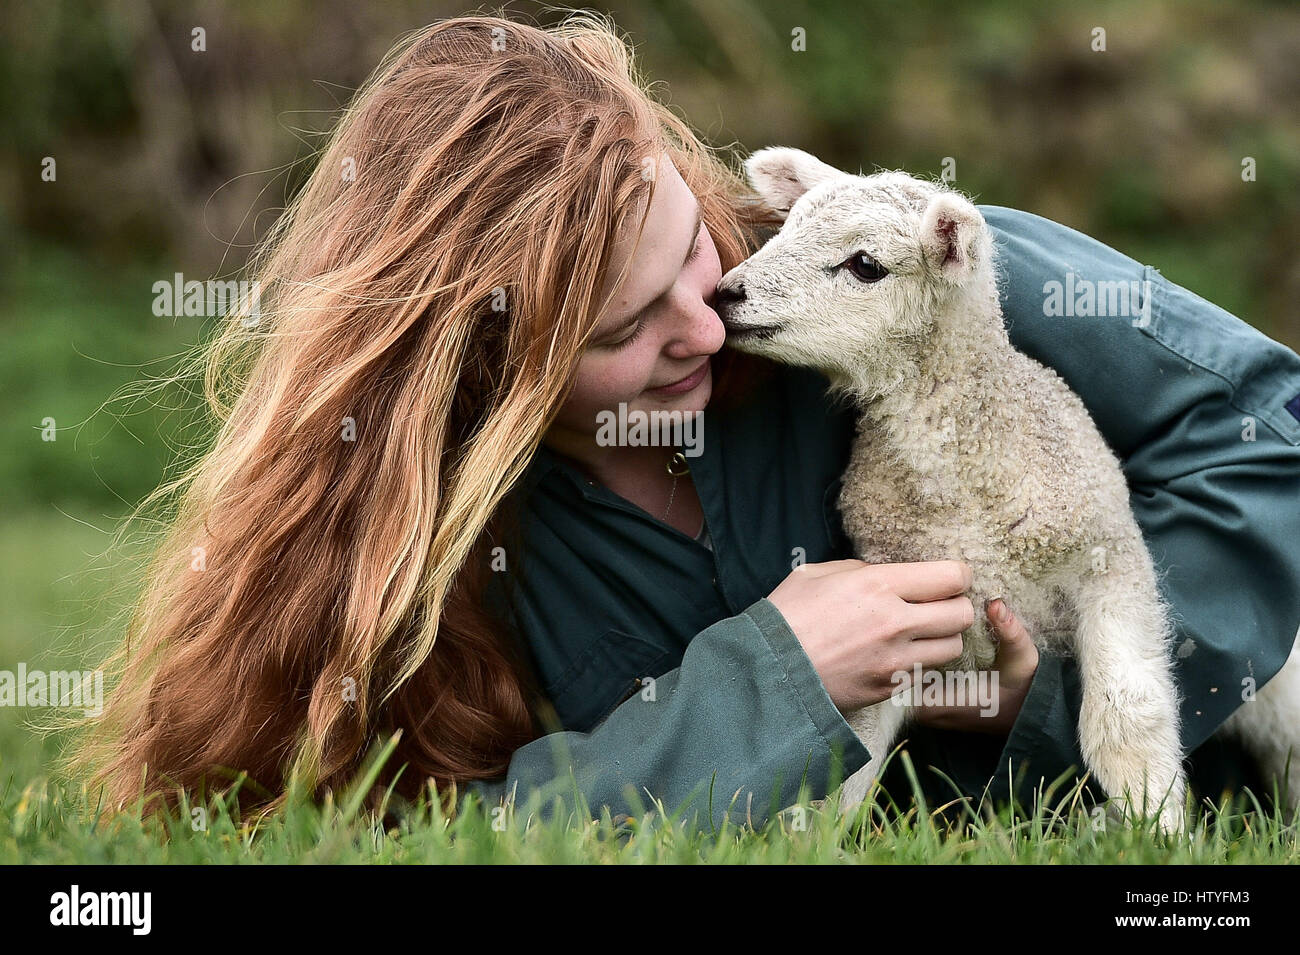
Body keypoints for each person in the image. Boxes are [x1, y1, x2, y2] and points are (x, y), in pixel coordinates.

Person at [67, 13, 1300, 834]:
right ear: (482, 374)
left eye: (691, 253)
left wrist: (1047, 700)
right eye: (619, 336)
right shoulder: (444, 552)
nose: (710, 326)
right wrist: (764, 687)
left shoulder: (909, 272)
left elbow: (1270, 433)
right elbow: (385, 830)